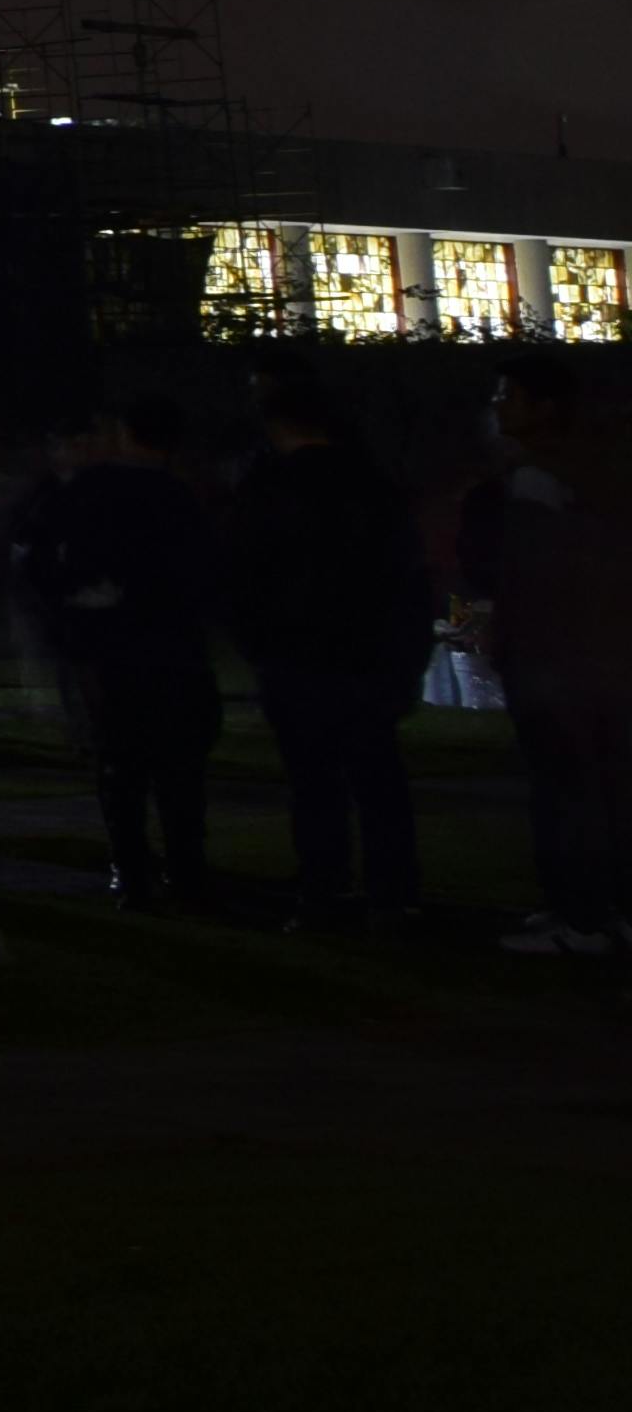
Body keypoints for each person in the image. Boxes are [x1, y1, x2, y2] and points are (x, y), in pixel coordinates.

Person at [222, 366, 431, 929]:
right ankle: (394, 892)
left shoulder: (268, 489)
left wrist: (258, 644)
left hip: (296, 656)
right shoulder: (372, 484)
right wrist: (407, 656)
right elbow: (408, 576)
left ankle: (325, 887)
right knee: (378, 778)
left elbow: (242, 577)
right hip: (367, 655)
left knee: (314, 781)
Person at [457, 349, 632, 959]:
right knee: (598, 787)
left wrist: (507, 632)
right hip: (589, 660)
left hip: (559, 661)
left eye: (509, 397)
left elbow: (537, 575)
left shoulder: (542, 479)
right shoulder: (590, 471)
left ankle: (582, 915)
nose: (499, 408)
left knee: (569, 788)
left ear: (546, 407)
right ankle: (599, 909)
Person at [12, 396, 220, 907]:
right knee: (176, 771)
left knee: (123, 767)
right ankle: (184, 871)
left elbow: (33, 556)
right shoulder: (178, 494)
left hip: (113, 649)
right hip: (171, 649)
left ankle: (132, 871)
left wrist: (74, 598)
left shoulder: (89, 492)